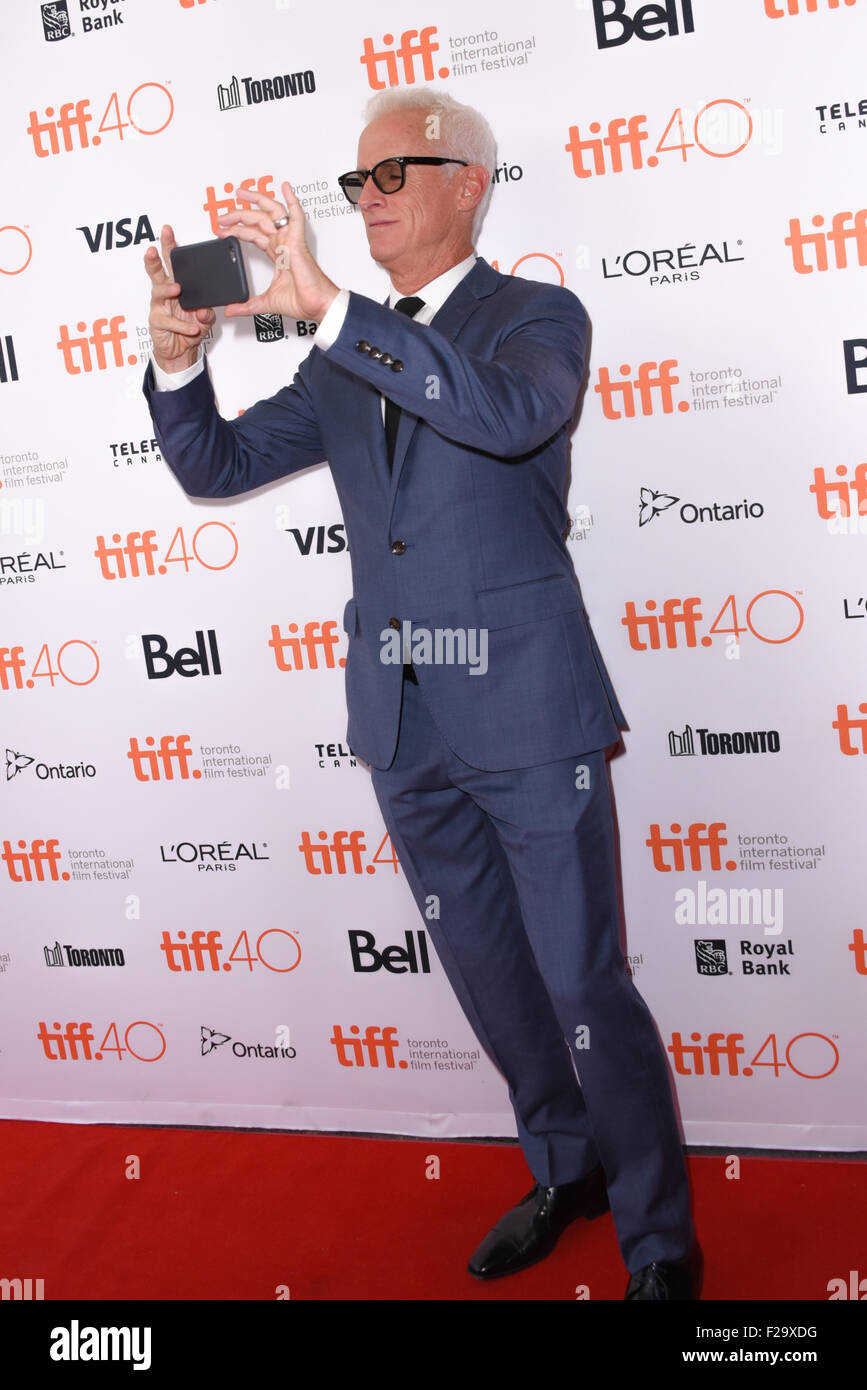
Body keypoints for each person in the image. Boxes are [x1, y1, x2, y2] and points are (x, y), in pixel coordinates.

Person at [142, 87, 700, 1301]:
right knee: (492, 975)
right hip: (401, 718)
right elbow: (214, 465)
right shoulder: (346, 358)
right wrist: (177, 359)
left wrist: (334, 309)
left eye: (396, 173)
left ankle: (660, 1237)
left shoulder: (537, 317)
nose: (370, 199)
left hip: (528, 710)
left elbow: (502, 419)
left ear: (469, 184)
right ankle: (566, 1170)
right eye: (358, 182)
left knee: (583, 978)